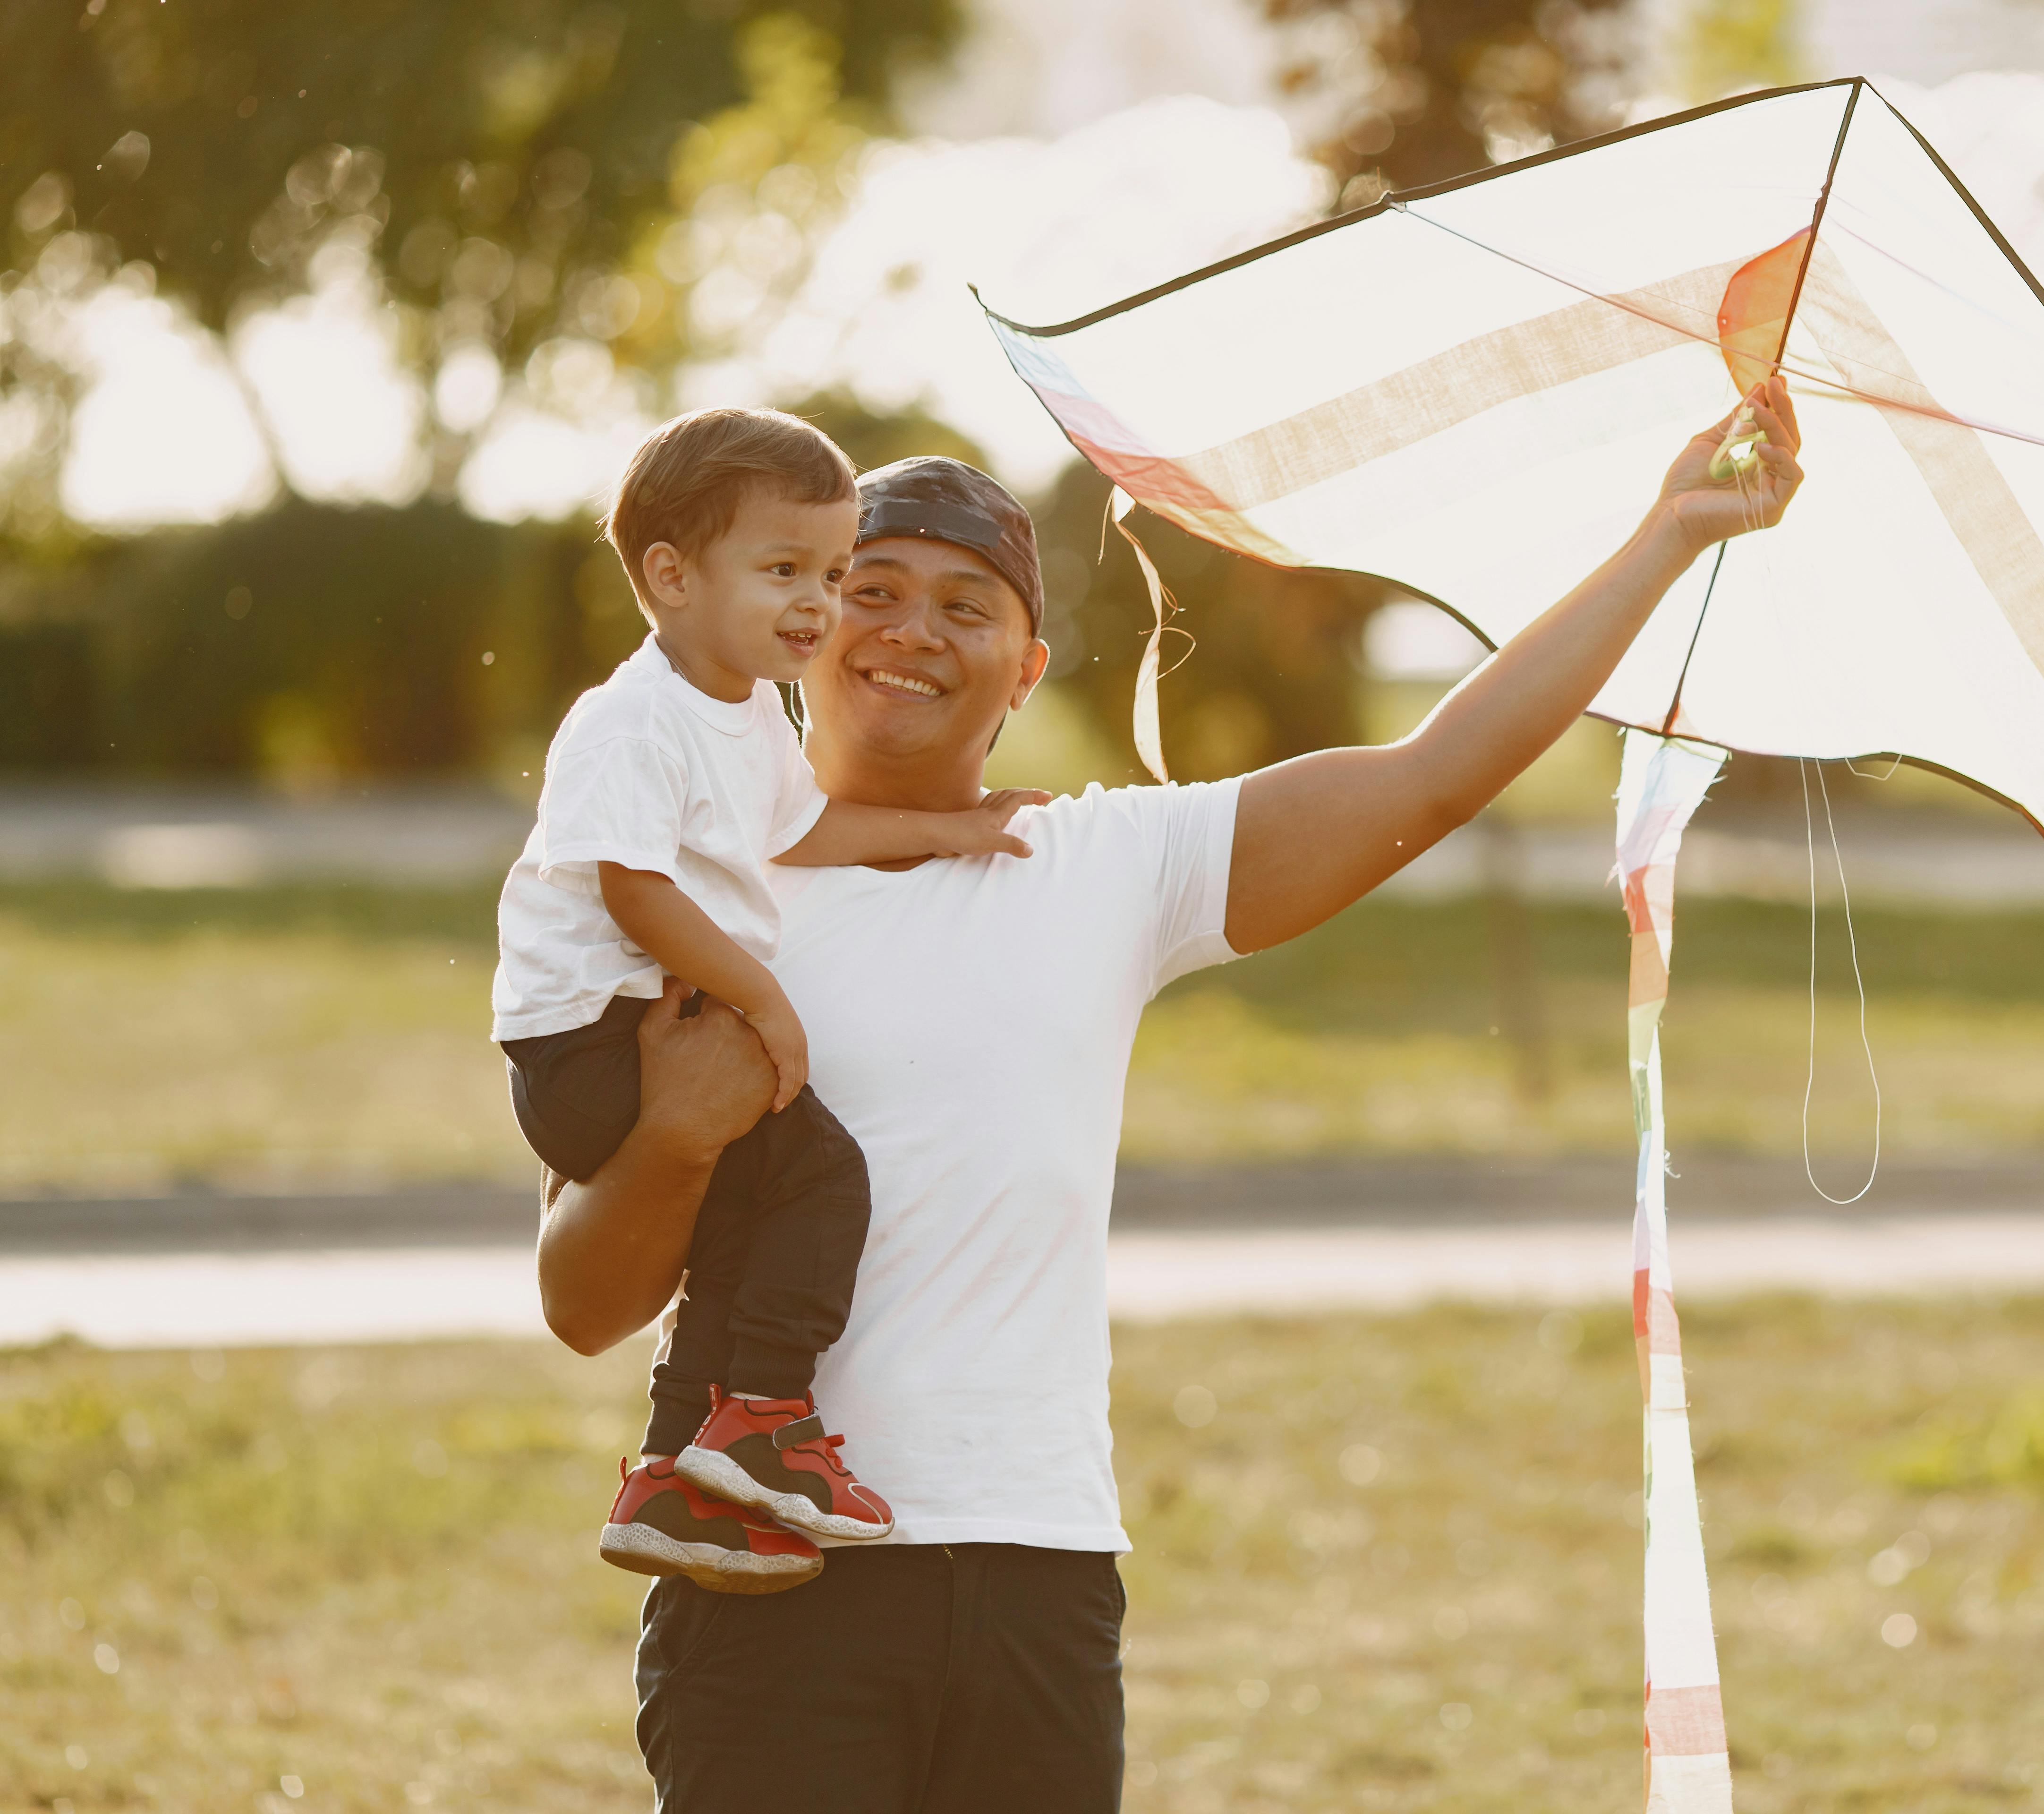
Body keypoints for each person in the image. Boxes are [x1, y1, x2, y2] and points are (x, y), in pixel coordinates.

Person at [536, 380, 1804, 1808]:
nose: (908, 630)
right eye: (868, 588)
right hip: (759, 1575)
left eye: (968, 605)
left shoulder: (1106, 866)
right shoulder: (687, 893)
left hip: (1039, 1567)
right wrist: (679, 1133)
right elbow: (583, 1304)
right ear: (804, 628)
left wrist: (1667, 535)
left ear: (1027, 671)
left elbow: (1435, 775)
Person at [493, 409, 1048, 1593]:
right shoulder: (632, 719)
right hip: (588, 1046)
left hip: (630, 1027)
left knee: (747, 1226)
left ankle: (675, 1481)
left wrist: (952, 829)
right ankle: (764, 1420)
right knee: (818, 1178)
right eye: (788, 570)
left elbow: (806, 829)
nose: (818, 601)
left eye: (832, 572)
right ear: (672, 576)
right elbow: (634, 889)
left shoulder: (743, 712)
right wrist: (765, 1003)